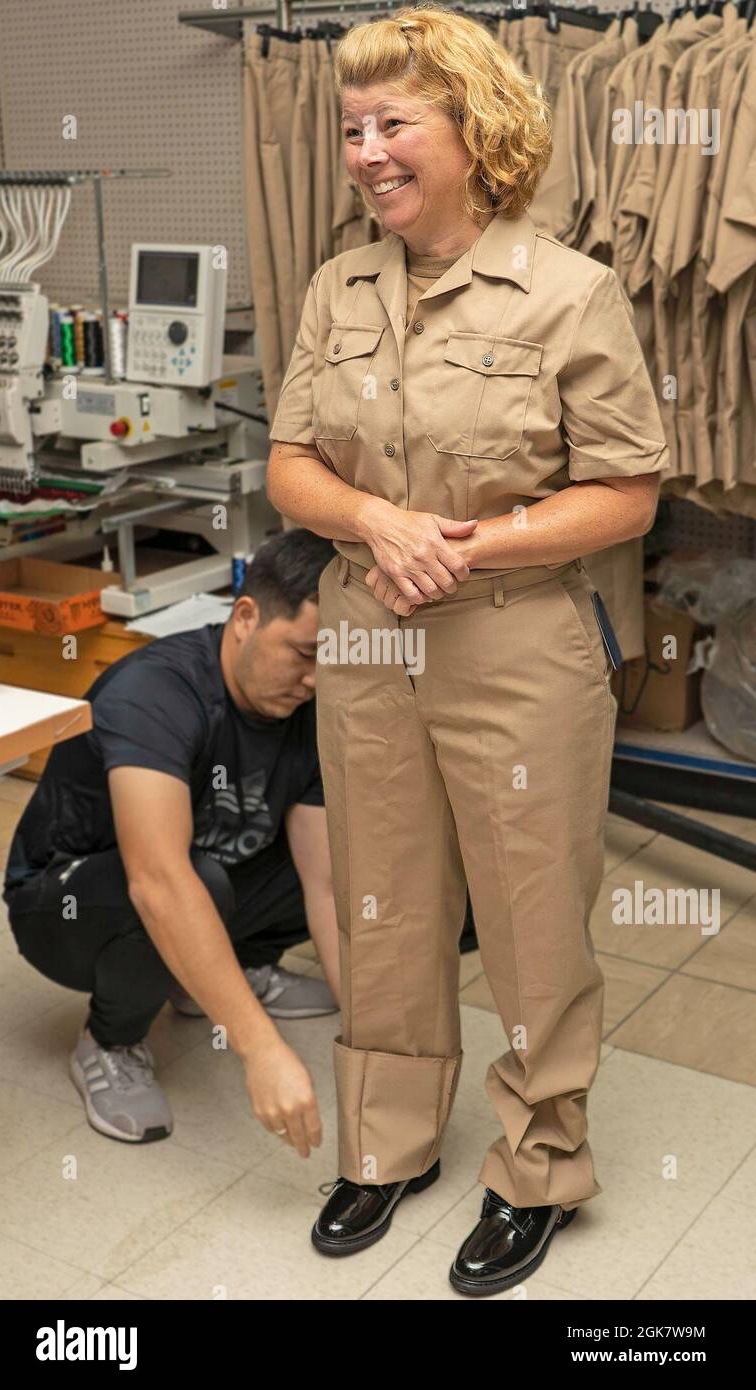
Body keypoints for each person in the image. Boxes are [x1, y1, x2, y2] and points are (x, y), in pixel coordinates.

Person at [266, 7, 667, 1296]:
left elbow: (625, 489)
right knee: (384, 903)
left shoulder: (567, 291)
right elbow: (287, 467)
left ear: (474, 137)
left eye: (394, 126)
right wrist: (374, 519)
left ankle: (538, 1161)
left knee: (532, 918)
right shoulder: (339, 286)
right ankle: (386, 1148)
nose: (366, 153)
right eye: (350, 130)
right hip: (369, 636)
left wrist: (470, 545)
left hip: (515, 642)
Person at [2, 529, 341, 1152]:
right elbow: (157, 881)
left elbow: (322, 884)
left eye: (333, 660)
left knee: (351, 856)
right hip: (65, 905)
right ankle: (111, 1042)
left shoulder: (305, 710)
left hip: (199, 877)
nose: (316, 680)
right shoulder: (157, 693)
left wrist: (371, 1032)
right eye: (304, 653)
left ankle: (221, 973)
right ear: (246, 616)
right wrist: (260, 1048)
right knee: (186, 884)